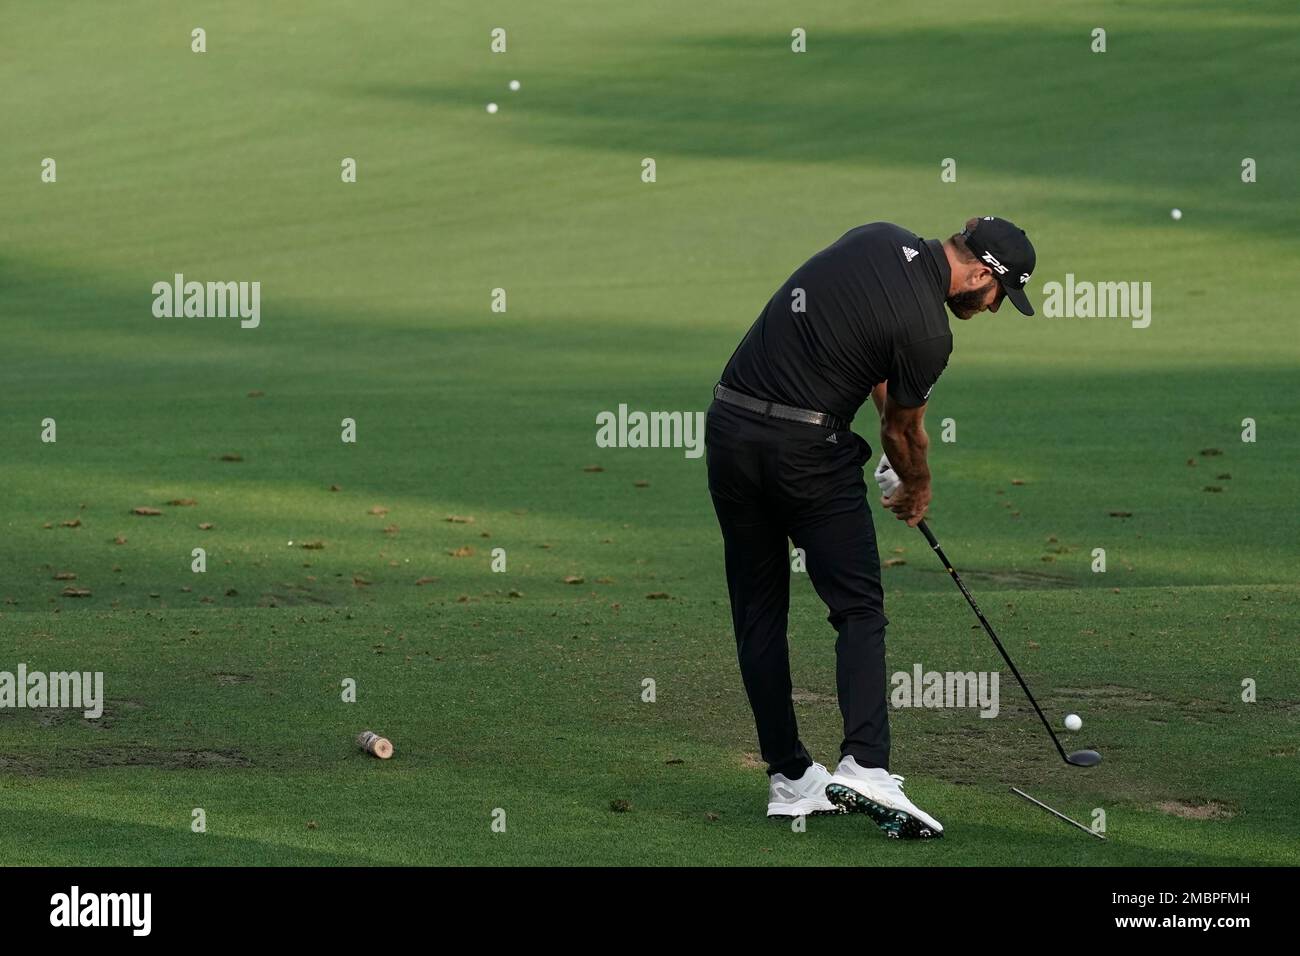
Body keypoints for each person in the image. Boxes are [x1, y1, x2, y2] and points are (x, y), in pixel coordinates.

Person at [705, 216, 1037, 838]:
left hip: (729, 427)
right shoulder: (932, 335)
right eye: (1000, 296)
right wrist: (915, 483)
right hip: (804, 454)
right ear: (980, 274)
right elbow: (903, 431)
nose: (993, 309)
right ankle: (866, 763)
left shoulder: (876, 238)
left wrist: (892, 453)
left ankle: (791, 778)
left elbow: (869, 351)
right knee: (858, 607)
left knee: (758, 611)